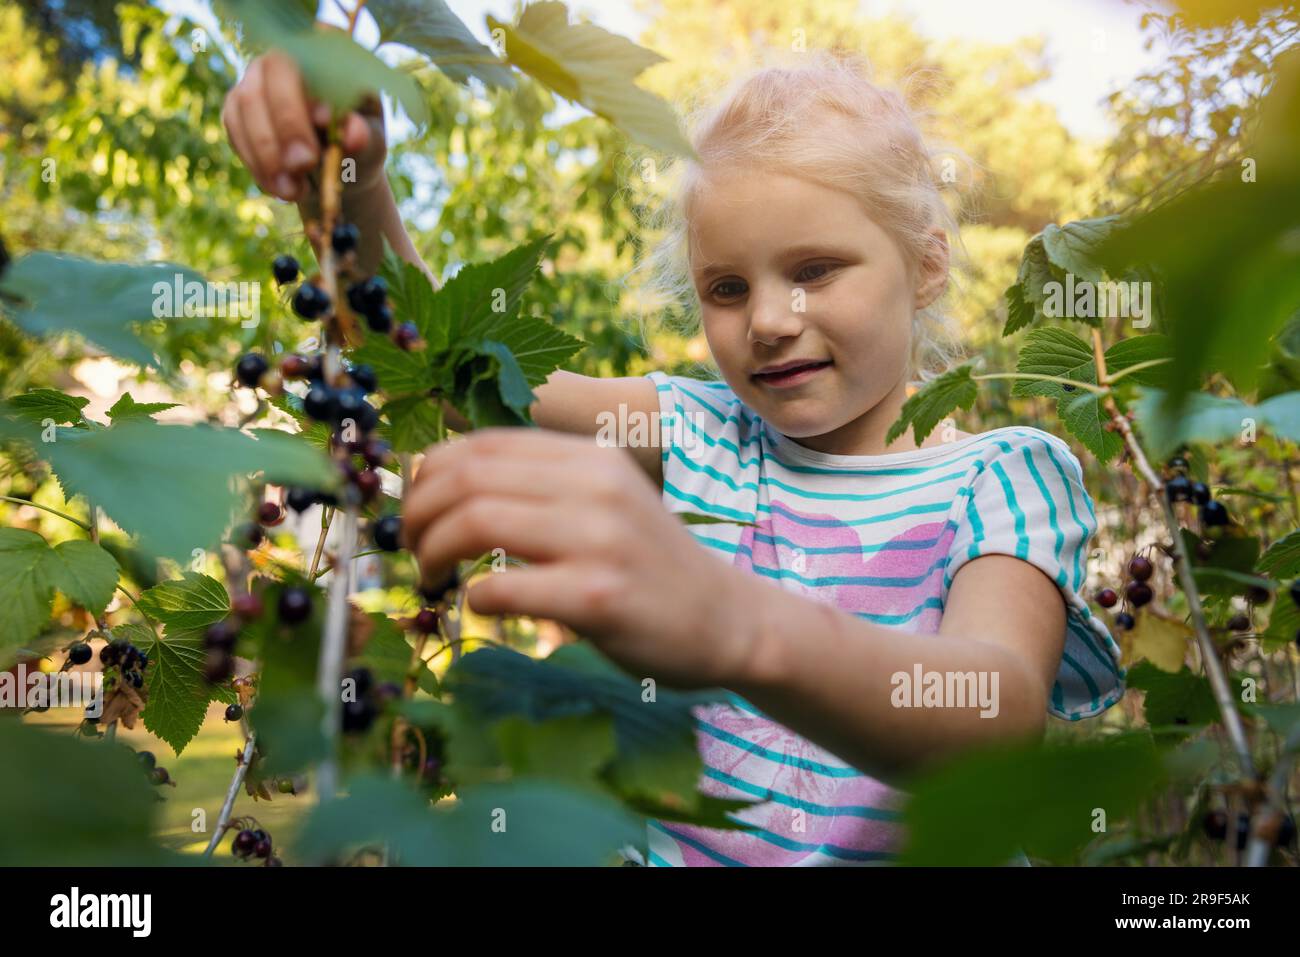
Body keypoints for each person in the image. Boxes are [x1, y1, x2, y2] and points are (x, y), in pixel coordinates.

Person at [221, 48, 1124, 866]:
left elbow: (989, 718)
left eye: (814, 270)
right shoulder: (700, 428)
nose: (769, 320)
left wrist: (742, 627)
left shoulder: (1004, 475)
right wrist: (356, 181)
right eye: (726, 288)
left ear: (926, 267)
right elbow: (455, 377)